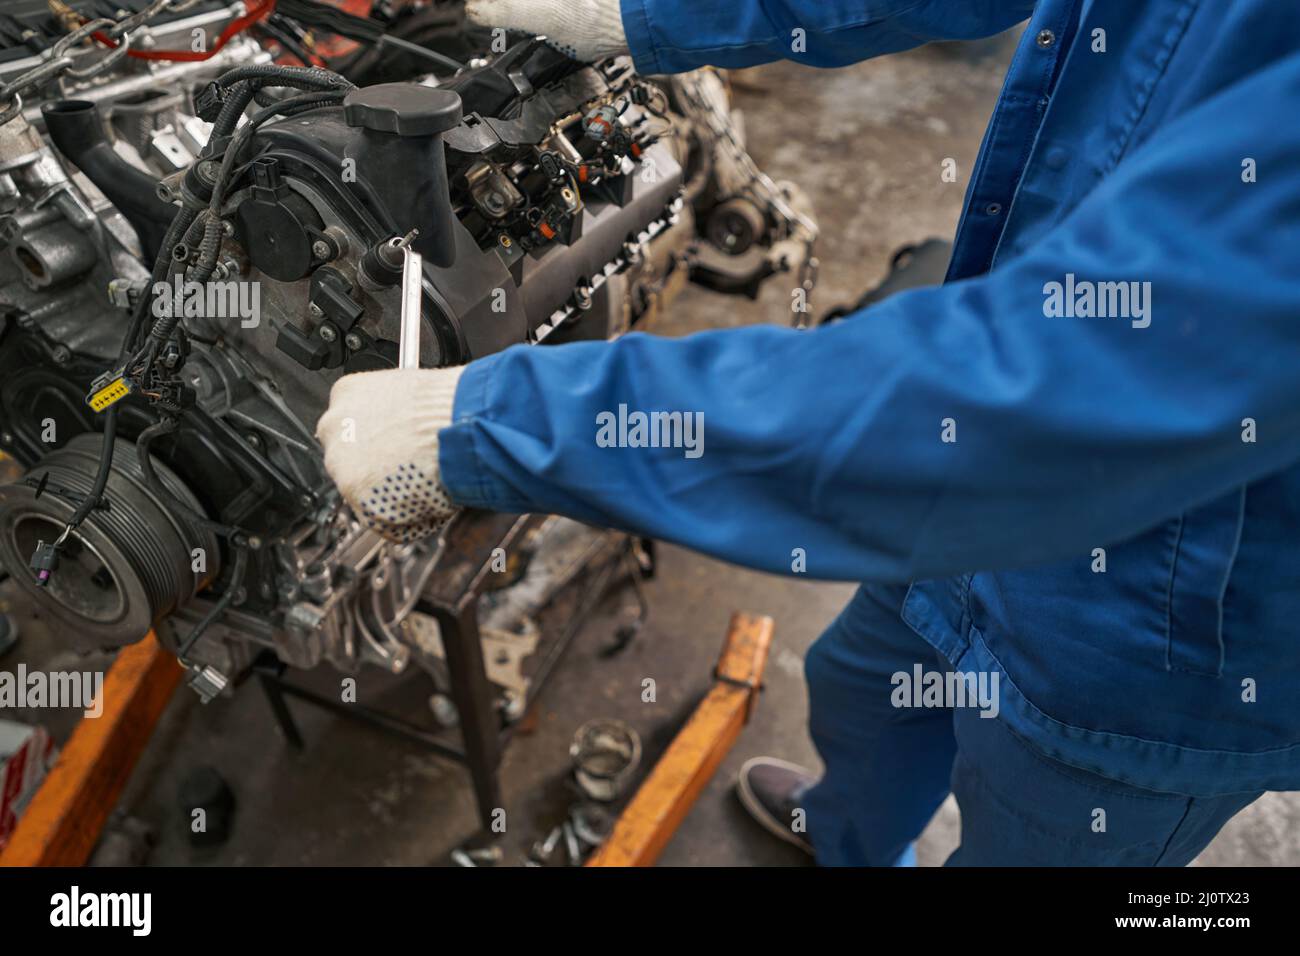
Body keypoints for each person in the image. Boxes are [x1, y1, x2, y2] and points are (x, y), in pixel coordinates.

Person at [317, 0, 1300, 865]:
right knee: (859, 698)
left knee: (1033, 830)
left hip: (1159, 626)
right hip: (959, 499)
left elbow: (1059, 381)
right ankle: (848, 839)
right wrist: (648, 13)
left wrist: (492, 426)